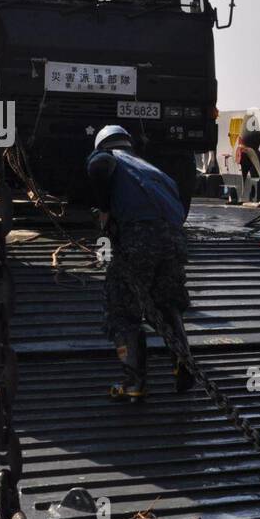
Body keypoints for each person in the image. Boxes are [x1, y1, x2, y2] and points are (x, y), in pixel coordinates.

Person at [86, 124, 195, 401]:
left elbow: (98, 167)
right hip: (173, 239)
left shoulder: (110, 157)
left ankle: (134, 383)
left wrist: (105, 212)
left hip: (139, 238)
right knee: (166, 302)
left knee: (121, 310)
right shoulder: (150, 169)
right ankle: (182, 365)